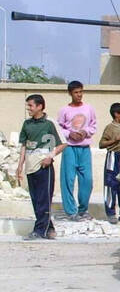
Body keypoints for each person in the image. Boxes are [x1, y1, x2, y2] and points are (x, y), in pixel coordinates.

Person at [16, 94, 65, 240]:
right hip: (30, 166)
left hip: (44, 167)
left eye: (31, 106)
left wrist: (50, 157)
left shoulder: (50, 123)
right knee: (36, 199)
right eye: (28, 106)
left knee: (44, 199)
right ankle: (49, 229)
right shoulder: (27, 124)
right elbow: (24, 145)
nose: (28, 109)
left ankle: (39, 231)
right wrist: (20, 165)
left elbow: (63, 143)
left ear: (40, 106)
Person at [57, 80, 96, 220]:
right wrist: (69, 134)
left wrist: (86, 132)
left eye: (81, 92)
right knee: (68, 179)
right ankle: (71, 211)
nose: (79, 95)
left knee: (87, 180)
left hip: (84, 148)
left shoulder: (89, 108)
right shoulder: (64, 110)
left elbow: (93, 125)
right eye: (76, 92)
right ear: (70, 93)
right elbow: (59, 128)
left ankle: (83, 209)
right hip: (69, 148)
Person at [99, 102, 120, 224]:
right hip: (113, 157)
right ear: (116, 114)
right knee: (111, 185)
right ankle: (111, 213)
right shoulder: (110, 127)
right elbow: (101, 144)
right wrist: (113, 140)